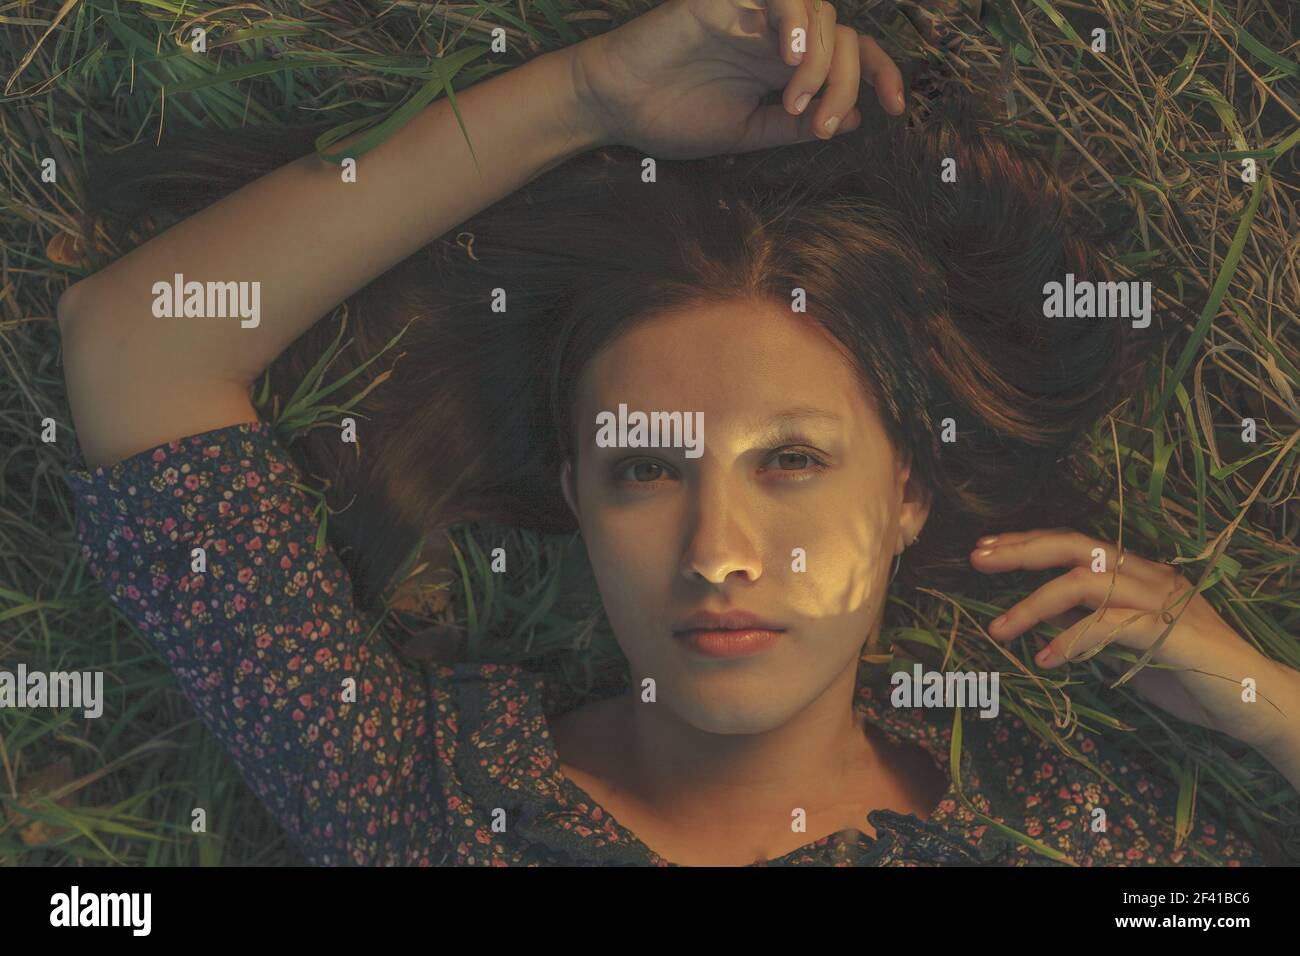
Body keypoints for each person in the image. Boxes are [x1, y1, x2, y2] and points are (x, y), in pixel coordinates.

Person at [57, 0, 1297, 866]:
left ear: (906, 493)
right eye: (646, 467)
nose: (718, 549)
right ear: (577, 498)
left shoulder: (1062, 833)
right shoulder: (425, 801)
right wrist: (587, 93)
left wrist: (1262, 701)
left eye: (793, 460)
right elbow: (139, 343)